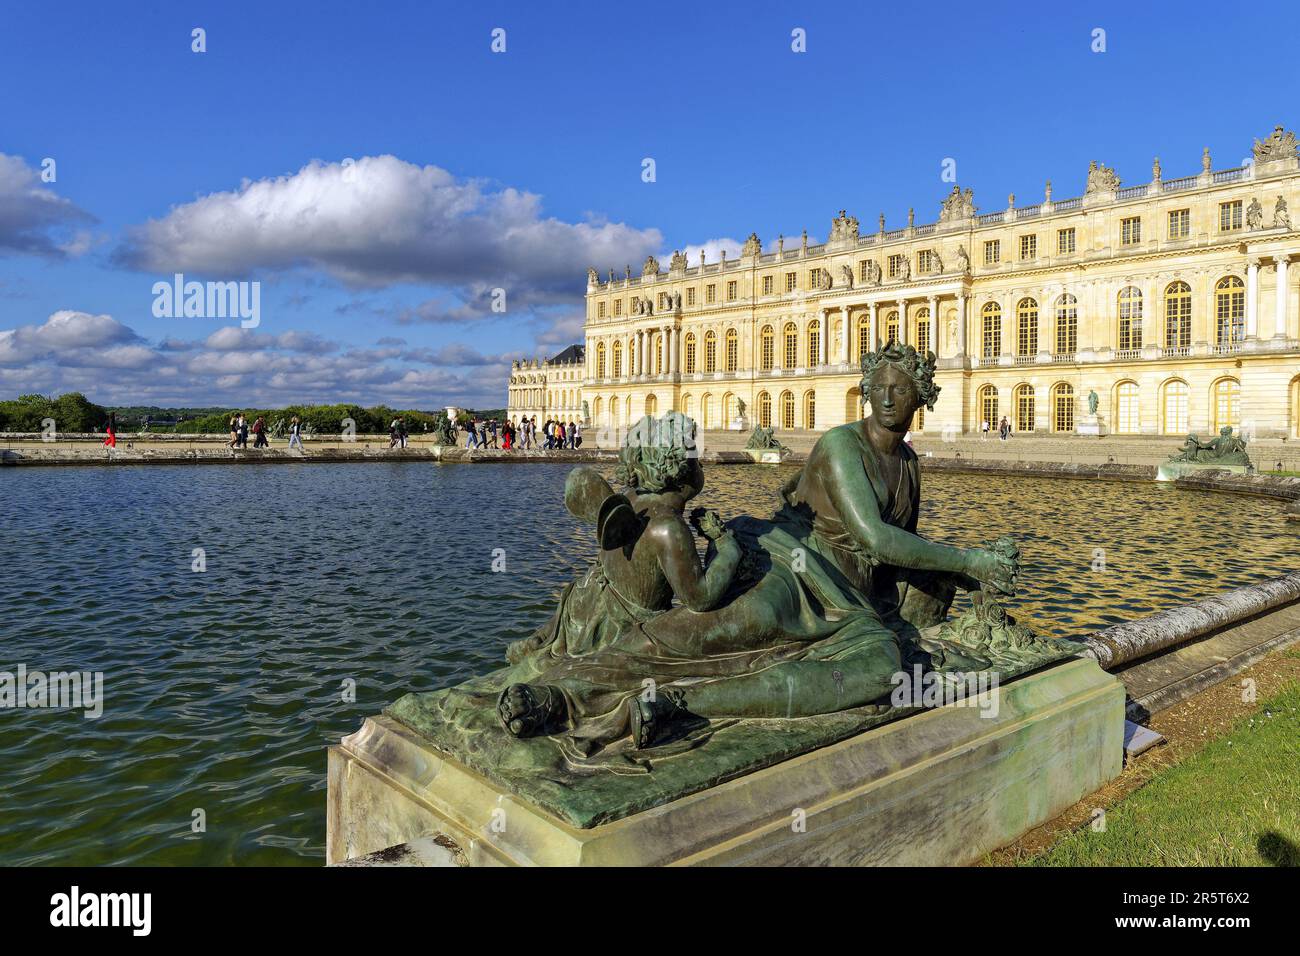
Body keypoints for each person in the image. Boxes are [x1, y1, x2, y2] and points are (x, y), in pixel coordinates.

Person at [491, 345, 1016, 752]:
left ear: (919, 396)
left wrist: (961, 575)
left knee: (884, 668)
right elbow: (876, 537)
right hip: (792, 560)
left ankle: (679, 704)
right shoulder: (840, 444)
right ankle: (560, 693)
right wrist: (969, 560)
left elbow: (902, 551)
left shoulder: (909, 464)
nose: (886, 398)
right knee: (703, 634)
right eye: (879, 386)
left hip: (845, 602)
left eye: (900, 389)